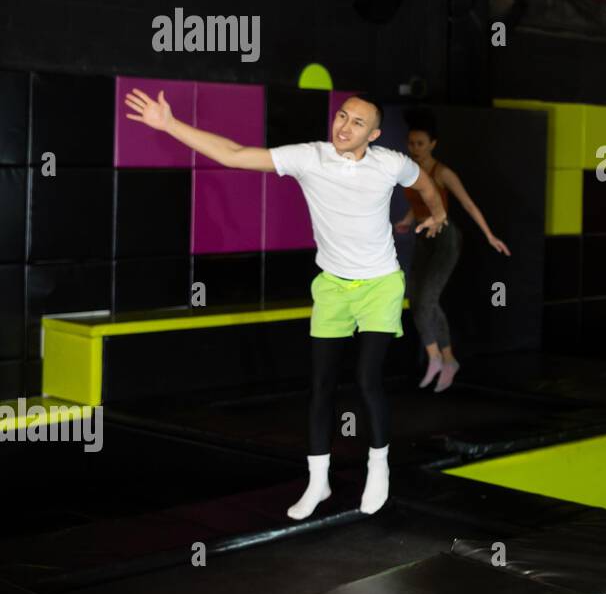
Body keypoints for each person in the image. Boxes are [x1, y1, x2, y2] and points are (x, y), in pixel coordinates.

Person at [123, 89, 447, 519]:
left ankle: (379, 470)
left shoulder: (391, 163)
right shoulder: (309, 157)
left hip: (379, 285)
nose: (343, 127)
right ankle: (318, 482)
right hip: (332, 285)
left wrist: (438, 211)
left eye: (356, 123)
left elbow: (423, 182)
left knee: (367, 378)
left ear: (374, 134)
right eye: (341, 117)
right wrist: (169, 124)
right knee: (320, 386)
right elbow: (236, 154)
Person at [395, 107, 511, 392]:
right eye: (411, 143)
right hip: (424, 236)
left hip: (445, 238)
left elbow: (468, 204)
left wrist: (489, 235)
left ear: (433, 144)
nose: (415, 149)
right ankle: (447, 359)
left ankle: (436, 357)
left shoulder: (442, 172)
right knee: (417, 299)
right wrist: (408, 221)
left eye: (420, 144)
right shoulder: (411, 171)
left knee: (426, 300)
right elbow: (419, 203)